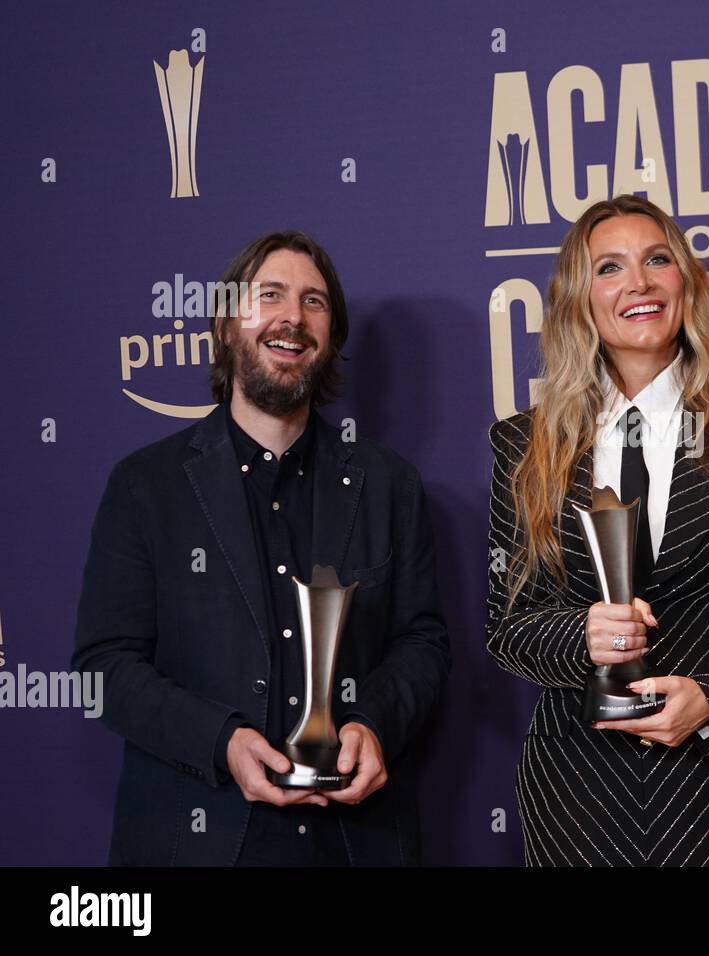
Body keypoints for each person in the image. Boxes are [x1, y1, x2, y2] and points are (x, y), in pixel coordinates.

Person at [72, 230, 451, 865]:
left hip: (354, 841)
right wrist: (222, 742)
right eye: (268, 295)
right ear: (225, 324)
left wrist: (371, 727)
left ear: (330, 338)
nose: (292, 317)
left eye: (314, 302)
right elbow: (104, 667)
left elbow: (424, 644)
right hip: (199, 837)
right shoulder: (146, 486)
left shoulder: (389, 484)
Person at [487, 195, 709, 866]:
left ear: (688, 282)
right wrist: (580, 633)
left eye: (657, 260)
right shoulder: (523, 445)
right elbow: (507, 628)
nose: (639, 283)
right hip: (581, 793)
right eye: (610, 268)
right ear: (577, 298)